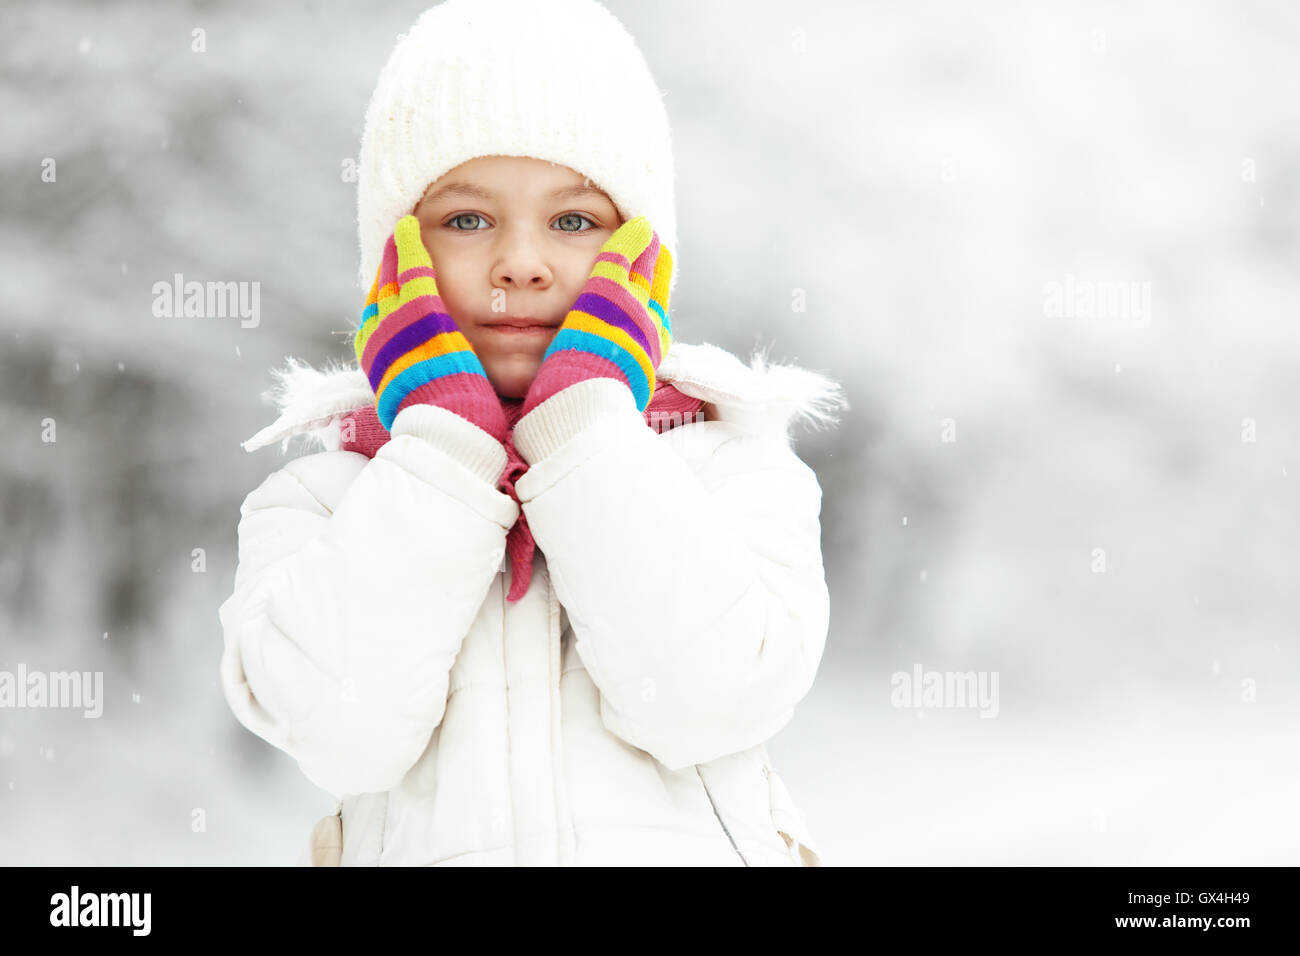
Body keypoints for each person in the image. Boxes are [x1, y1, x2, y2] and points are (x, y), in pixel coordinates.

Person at [217, 0, 847, 866]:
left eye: (575, 221)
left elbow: (711, 701)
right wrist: (444, 448)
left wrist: (584, 426)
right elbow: (345, 734)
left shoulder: (732, 465)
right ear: (393, 259)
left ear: (642, 255)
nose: (522, 261)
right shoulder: (322, 499)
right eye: (468, 220)